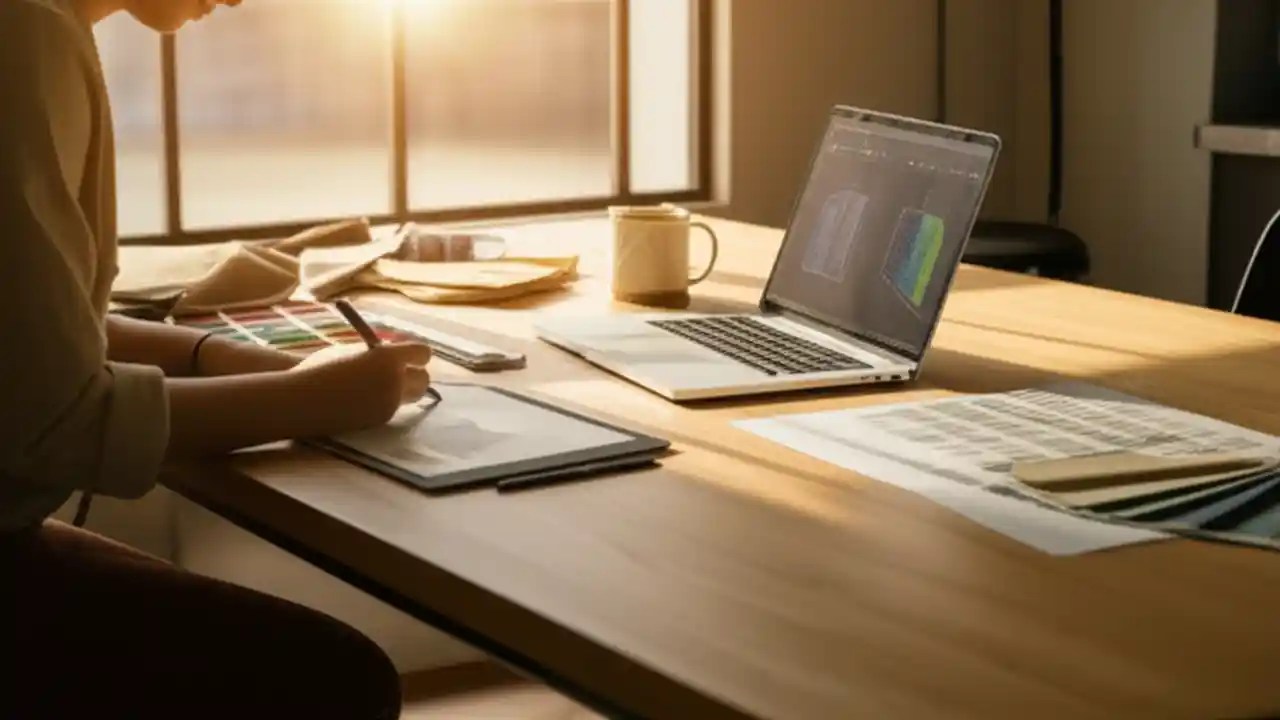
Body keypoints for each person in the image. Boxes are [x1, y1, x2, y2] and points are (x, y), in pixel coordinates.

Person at [0, 0, 432, 717]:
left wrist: (214, 353)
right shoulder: (25, 35)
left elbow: (29, 331)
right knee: (335, 680)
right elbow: (53, 422)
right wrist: (329, 400)